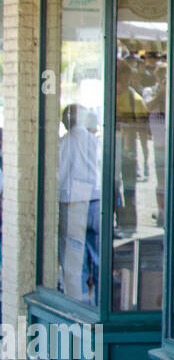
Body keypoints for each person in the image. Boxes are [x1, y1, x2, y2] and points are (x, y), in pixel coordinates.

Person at [58, 105, 102, 303]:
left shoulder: (62, 144)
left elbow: (56, 177)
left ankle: (79, 303)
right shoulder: (96, 142)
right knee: (98, 255)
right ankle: (101, 301)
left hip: (72, 202)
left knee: (75, 257)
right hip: (96, 200)